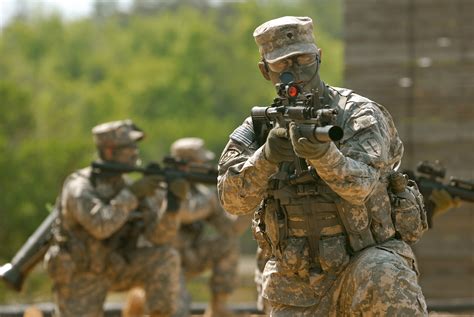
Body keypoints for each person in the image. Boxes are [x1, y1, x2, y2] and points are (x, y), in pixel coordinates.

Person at [218, 16, 428, 316]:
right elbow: (232, 201)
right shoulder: (259, 127)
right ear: (265, 70)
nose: (295, 71)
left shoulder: (359, 115)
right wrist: (266, 157)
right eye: (281, 65)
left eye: (303, 58)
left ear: (319, 57)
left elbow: (361, 188)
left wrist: (324, 155)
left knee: (385, 272)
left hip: (362, 263)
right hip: (297, 281)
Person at [44, 119, 185, 317]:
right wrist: (132, 195)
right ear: (109, 151)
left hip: (115, 266)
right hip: (81, 274)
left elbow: (158, 237)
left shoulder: (127, 185)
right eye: (129, 147)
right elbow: (101, 226)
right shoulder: (80, 187)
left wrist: (173, 205)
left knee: (166, 256)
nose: (136, 152)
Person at [169, 137, 250, 317]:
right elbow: (183, 212)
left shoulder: (202, 193)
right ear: (186, 163)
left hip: (190, 257)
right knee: (177, 311)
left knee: (228, 243)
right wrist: (211, 201)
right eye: (202, 161)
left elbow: (231, 229)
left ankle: (218, 306)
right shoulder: (164, 186)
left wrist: (250, 200)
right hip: (164, 261)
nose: (207, 165)